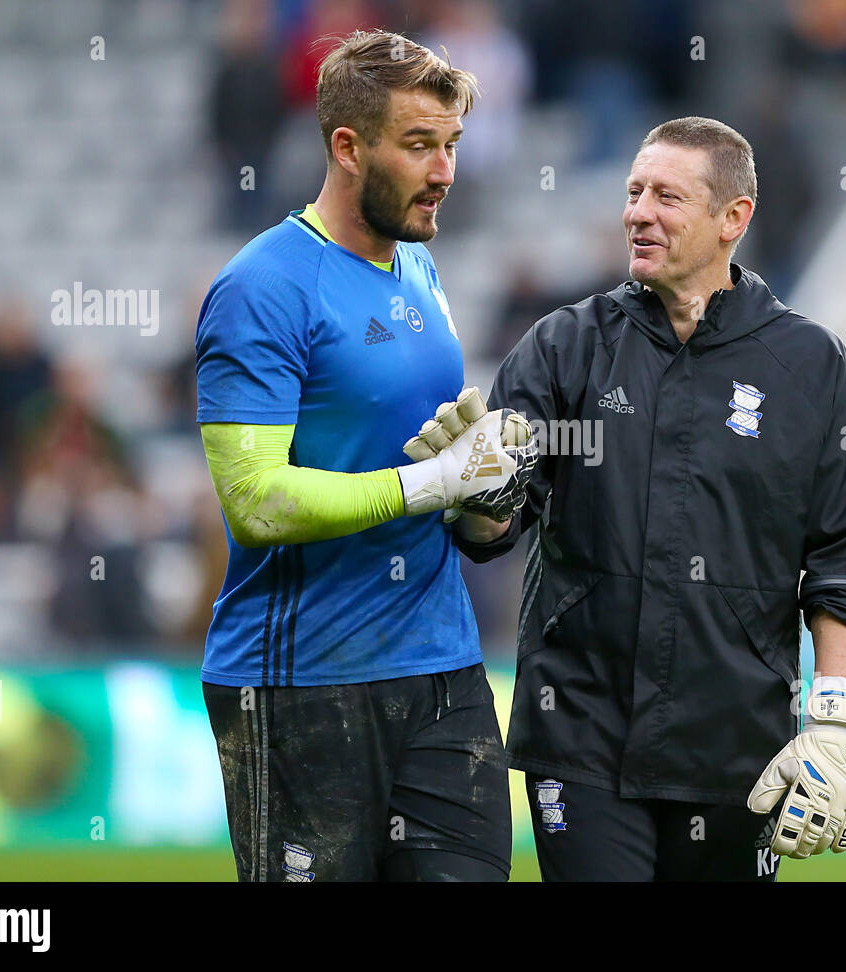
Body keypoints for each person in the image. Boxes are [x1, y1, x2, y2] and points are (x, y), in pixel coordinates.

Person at [454, 117, 846, 881]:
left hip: (736, 751)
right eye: (633, 192)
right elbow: (493, 529)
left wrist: (834, 727)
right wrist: (474, 487)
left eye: (667, 196)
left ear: (734, 219)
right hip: (581, 737)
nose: (638, 212)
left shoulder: (811, 367)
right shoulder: (565, 346)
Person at [194, 29, 535, 882]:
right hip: (302, 679)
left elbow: (435, 478)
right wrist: (432, 482)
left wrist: (483, 501)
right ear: (347, 147)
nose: (445, 171)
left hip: (444, 669)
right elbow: (256, 501)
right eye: (420, 145)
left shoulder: (419, 269)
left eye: (452, 144)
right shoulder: (262, 287)